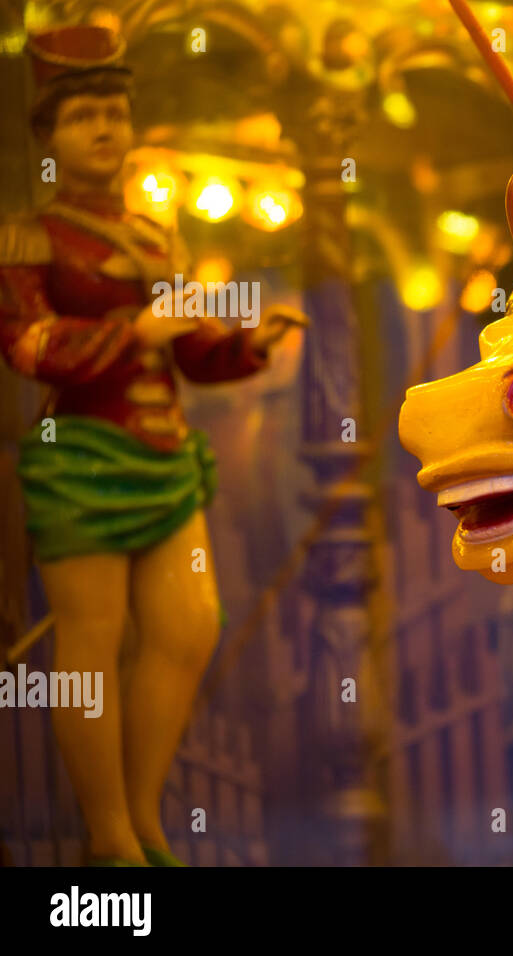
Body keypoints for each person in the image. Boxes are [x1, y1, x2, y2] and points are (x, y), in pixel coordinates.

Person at [0, 25, 300, 865]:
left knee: (190, 626)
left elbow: (190, 350)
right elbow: (29, 346)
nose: (104, 128)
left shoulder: (156, 237)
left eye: (115, 112)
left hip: (165, 457)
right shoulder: (30, 237)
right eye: (83, 115)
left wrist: (248, 344)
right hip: (81, 456)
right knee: (90, 637)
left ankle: (139, 816)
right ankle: (108, 834)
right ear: (49, 137)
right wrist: (134, 328)